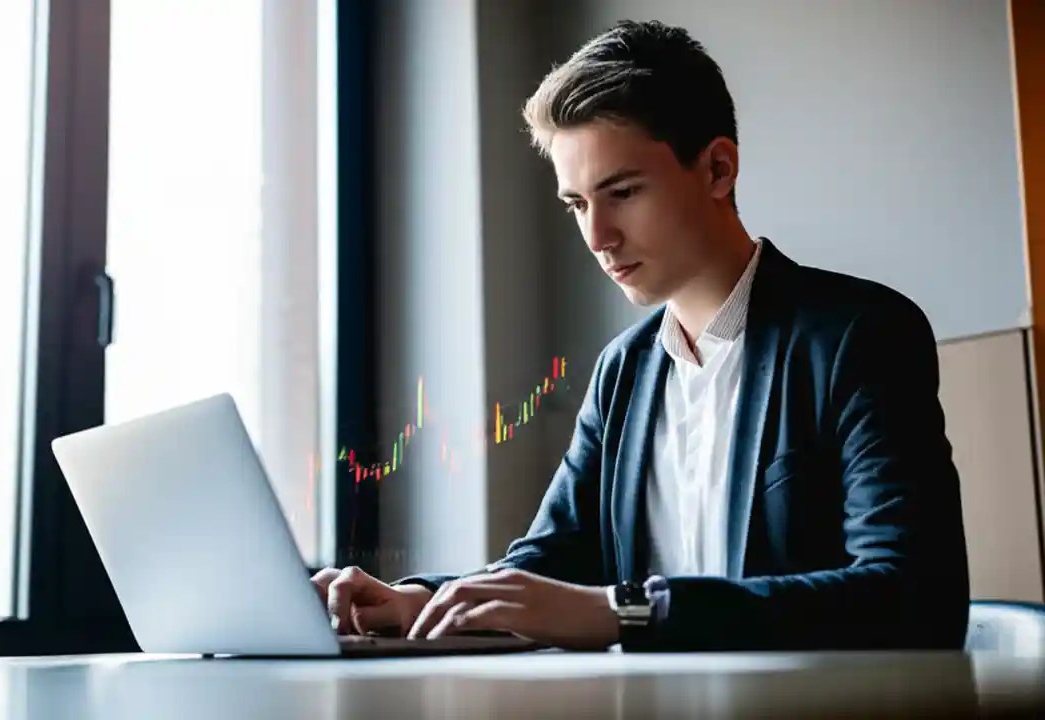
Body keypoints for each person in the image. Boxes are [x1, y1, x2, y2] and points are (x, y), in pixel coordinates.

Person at [312, 19, 969, 651]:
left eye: (621, 192)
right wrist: (418, 602)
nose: (596, 238)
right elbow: (547, 566)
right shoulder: (623, 370)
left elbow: (911, 597)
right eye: (577, 204)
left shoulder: (859, 336)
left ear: (717, 169)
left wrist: (624, 610)